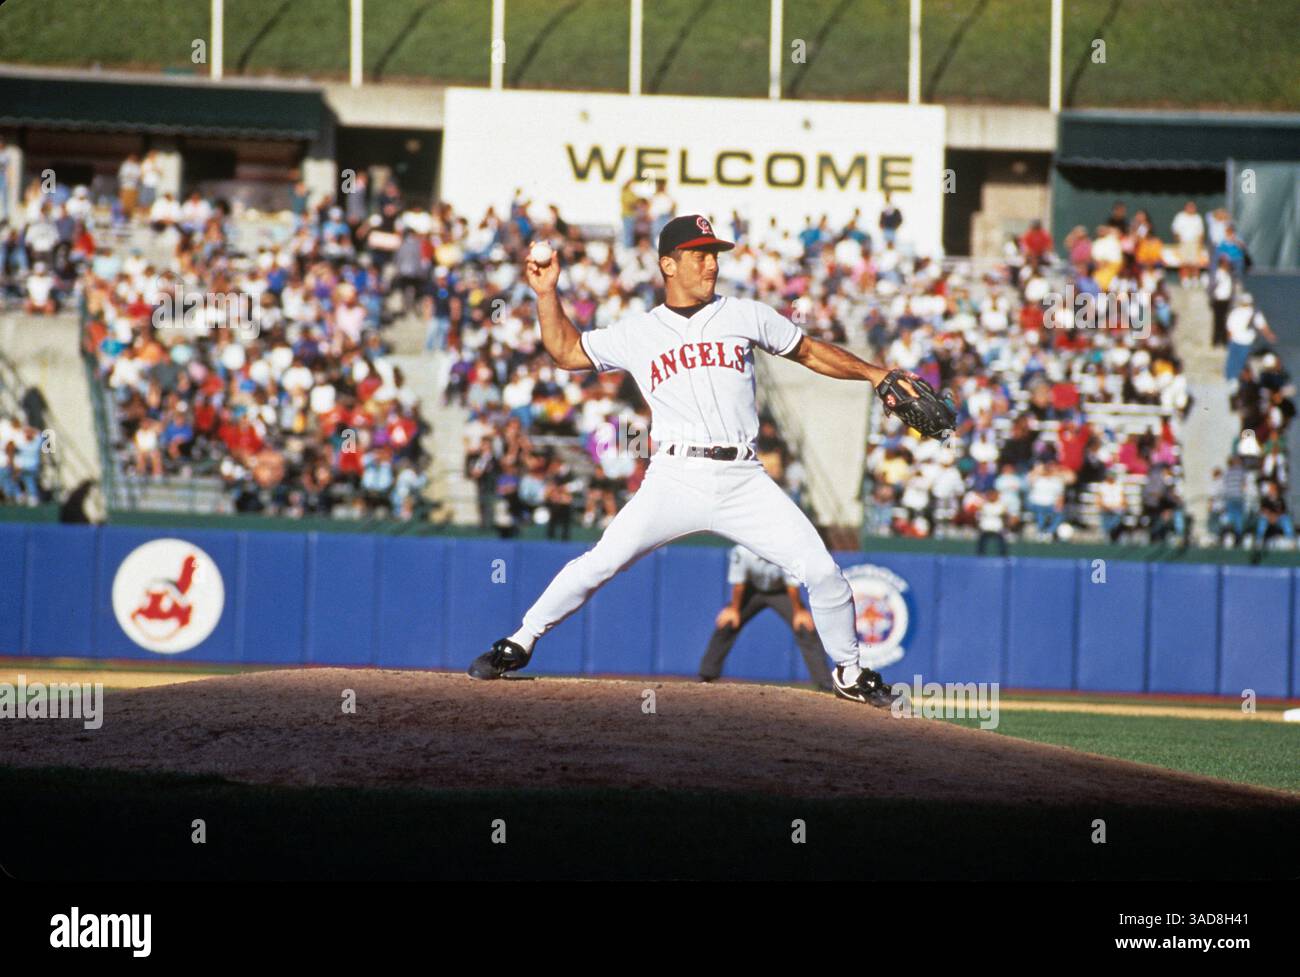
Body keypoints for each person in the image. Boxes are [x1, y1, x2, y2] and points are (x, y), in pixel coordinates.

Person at [468, 214, 917, 706]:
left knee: (824, 571)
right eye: (699, 255)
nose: (711, 264)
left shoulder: (746, 314)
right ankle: (520, 641)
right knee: (600, 562)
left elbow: (808, 352)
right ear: (668, 264)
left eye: (714, 255)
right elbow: (566, 351)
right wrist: (546, 293)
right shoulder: (638, 332)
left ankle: (850, 672)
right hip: (674, 476)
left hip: (744, 477)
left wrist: (875, 374)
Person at [698, 540, 835, 693]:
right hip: (752, 591)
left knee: (804, 626)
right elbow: (739, 584)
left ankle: (825, 683)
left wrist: (799, 611)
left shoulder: (784, 552)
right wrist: (734, 609)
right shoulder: (742, 552)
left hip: (780, 591)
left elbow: (791, 585)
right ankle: (706, 675)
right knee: (727, 622)